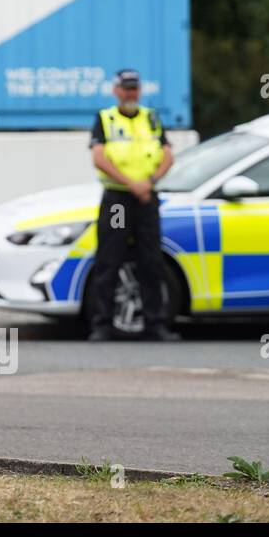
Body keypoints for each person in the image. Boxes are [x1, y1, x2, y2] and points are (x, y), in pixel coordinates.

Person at [87, 68, 178, 342]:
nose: (131, 93)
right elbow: (99, 158)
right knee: (109, 259)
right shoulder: (106, 119)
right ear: (116, 90)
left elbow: (168, 156)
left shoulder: (151, 118)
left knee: (151, 261)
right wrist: (131, 183)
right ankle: (102, 324)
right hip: (118, 199)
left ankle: (155, 324)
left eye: (134, 88)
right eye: (126, 88)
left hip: (146, 198)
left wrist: (148, 182)